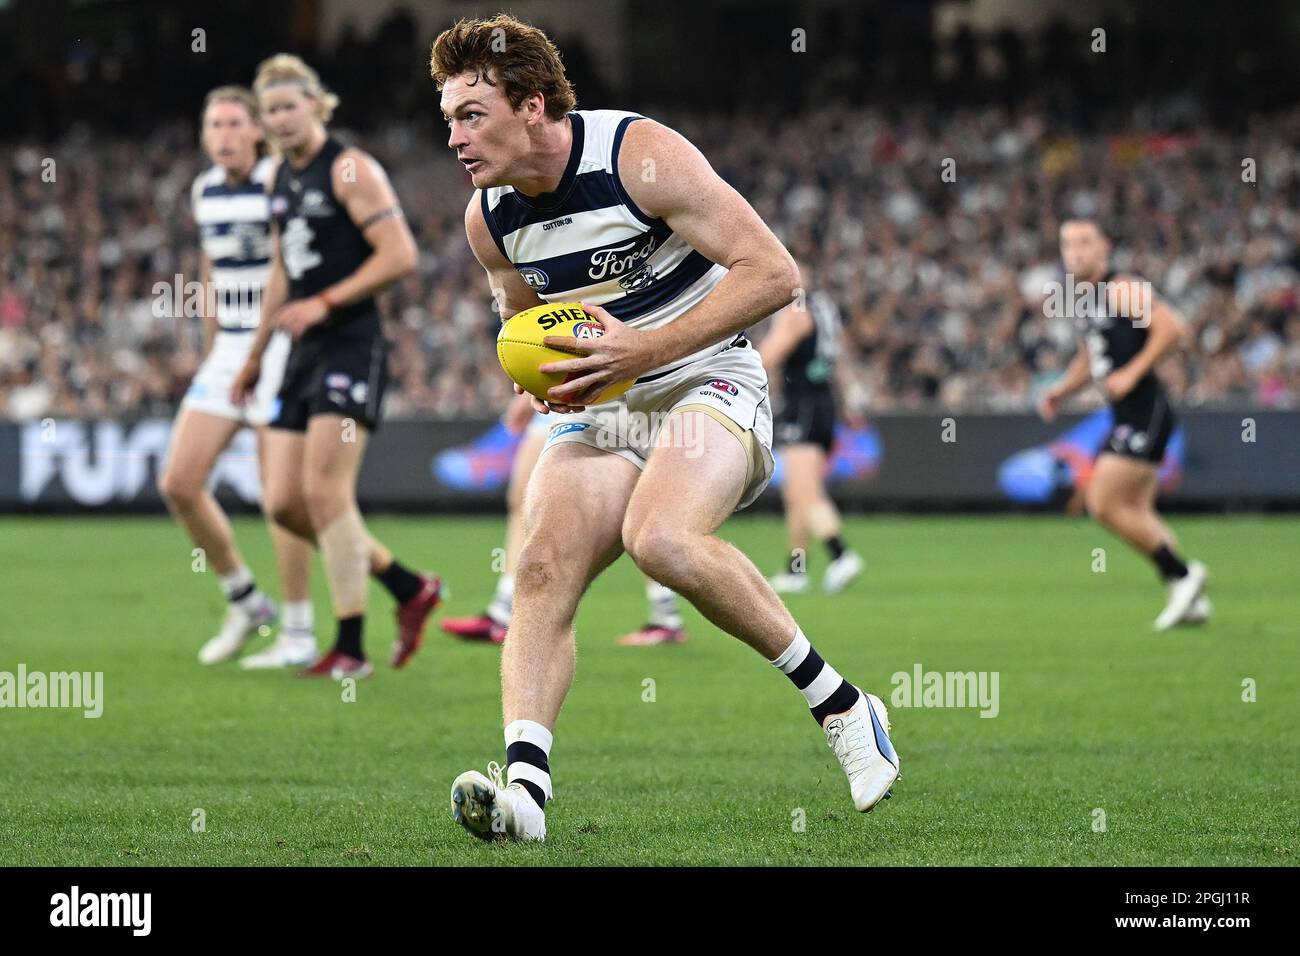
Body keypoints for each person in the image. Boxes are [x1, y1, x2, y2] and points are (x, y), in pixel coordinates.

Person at [432, 14, 900, 843]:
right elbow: (524, 322)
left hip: (708, 376)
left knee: (661, 539)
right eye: (449, 121)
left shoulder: (637, 155)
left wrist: (641, 347)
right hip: (610, 404)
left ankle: (845, 708)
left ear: (533, 106)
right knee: (540, 566)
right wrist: (541, 379)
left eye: (473, 116)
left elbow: (774, 274)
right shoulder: (489, 220)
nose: (457, 139)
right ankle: (527, 798)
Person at [232, 55, 441, 680]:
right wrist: (254, 353)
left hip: (351, 343)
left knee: (325, 493)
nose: (280, 118)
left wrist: (324, 301)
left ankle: (350, 647)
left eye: (290, 105)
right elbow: (281, 269)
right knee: (285, 504)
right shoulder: (279, 179)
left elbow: (400, 255)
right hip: (301, 353)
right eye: (270, 110)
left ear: (316, 106)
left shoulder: (350, 169)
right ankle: (408, 586)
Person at [159, 86, 317, 670]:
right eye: (213, 124)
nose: (222, 134)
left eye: (232, 123)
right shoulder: (203, 190)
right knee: (179, 481)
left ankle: (299, 629)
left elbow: (287, 263)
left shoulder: (280, 180)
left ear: (256, 132)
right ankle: (246, 600)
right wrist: (210, 343)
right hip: (228, 350)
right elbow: (210, 266)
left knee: (281, 499)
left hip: (276, 346)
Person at [1038, 219, 1209, 630]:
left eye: (1084, 242)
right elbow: (1091, 358)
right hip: (1127, 413)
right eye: (1068, 244)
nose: (1075, 251)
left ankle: (1183, 574)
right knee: (1137, 511)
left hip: (1145, 409)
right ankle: (1188, 598)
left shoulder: (1120, 288)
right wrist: (1063, 390)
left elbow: (1171, 328)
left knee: (1103, 502)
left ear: (1104, 248)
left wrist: (1132, 372)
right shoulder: (1085, 298)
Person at [441, 394, 689, 647]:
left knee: (631, 501)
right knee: (524, 496)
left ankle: (665, 615)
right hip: (562, 391)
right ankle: (504, 610)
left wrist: (531, 390)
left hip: (591, 389)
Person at [760, 269, 863, 596]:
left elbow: (767, 358)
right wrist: (848, 404)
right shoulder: (823, 307)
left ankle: (840, 554)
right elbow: (840, 359)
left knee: (805, 491)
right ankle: (796, 568)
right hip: (824, 401)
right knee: (795, 491)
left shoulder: (795, 312)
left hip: (802, 403)